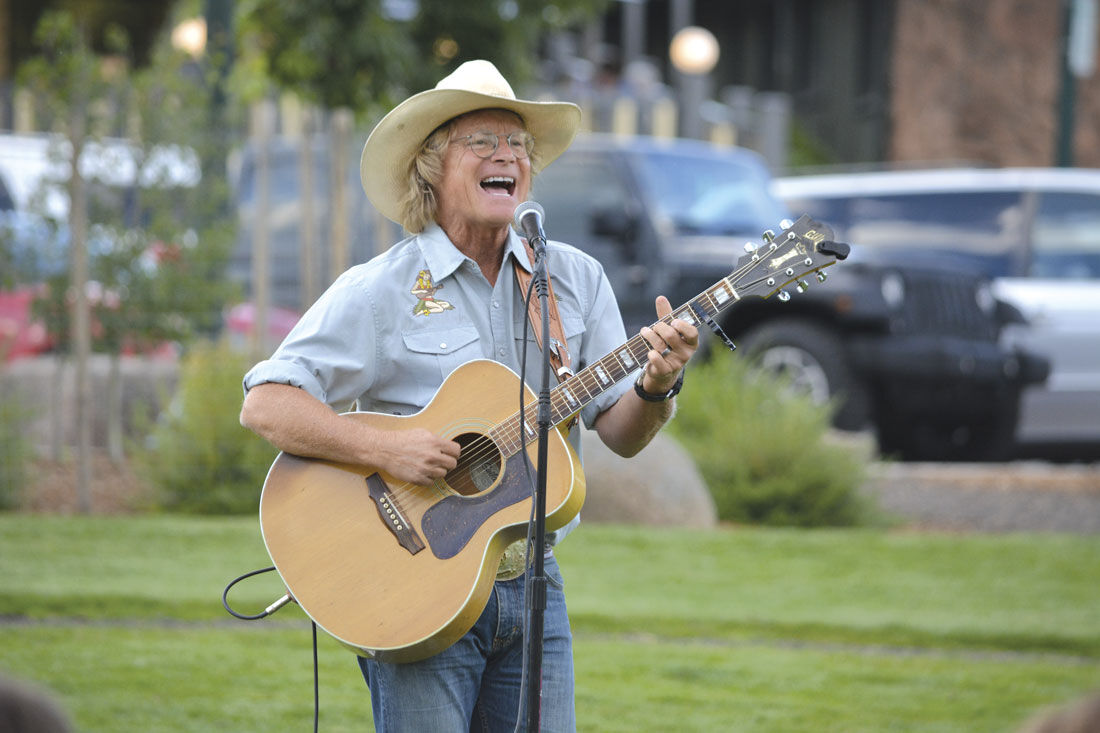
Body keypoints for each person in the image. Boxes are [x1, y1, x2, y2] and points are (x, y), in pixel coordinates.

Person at [239, 59, 698, 732]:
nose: (506, 155)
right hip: (413, 584)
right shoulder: (382, 289)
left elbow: (621, 434)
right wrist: (386, 448)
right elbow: (267, 402)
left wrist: (657, 385)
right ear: (432, 167)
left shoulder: (572, 279)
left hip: (535, 584)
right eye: (481, 141)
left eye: (517, 144)